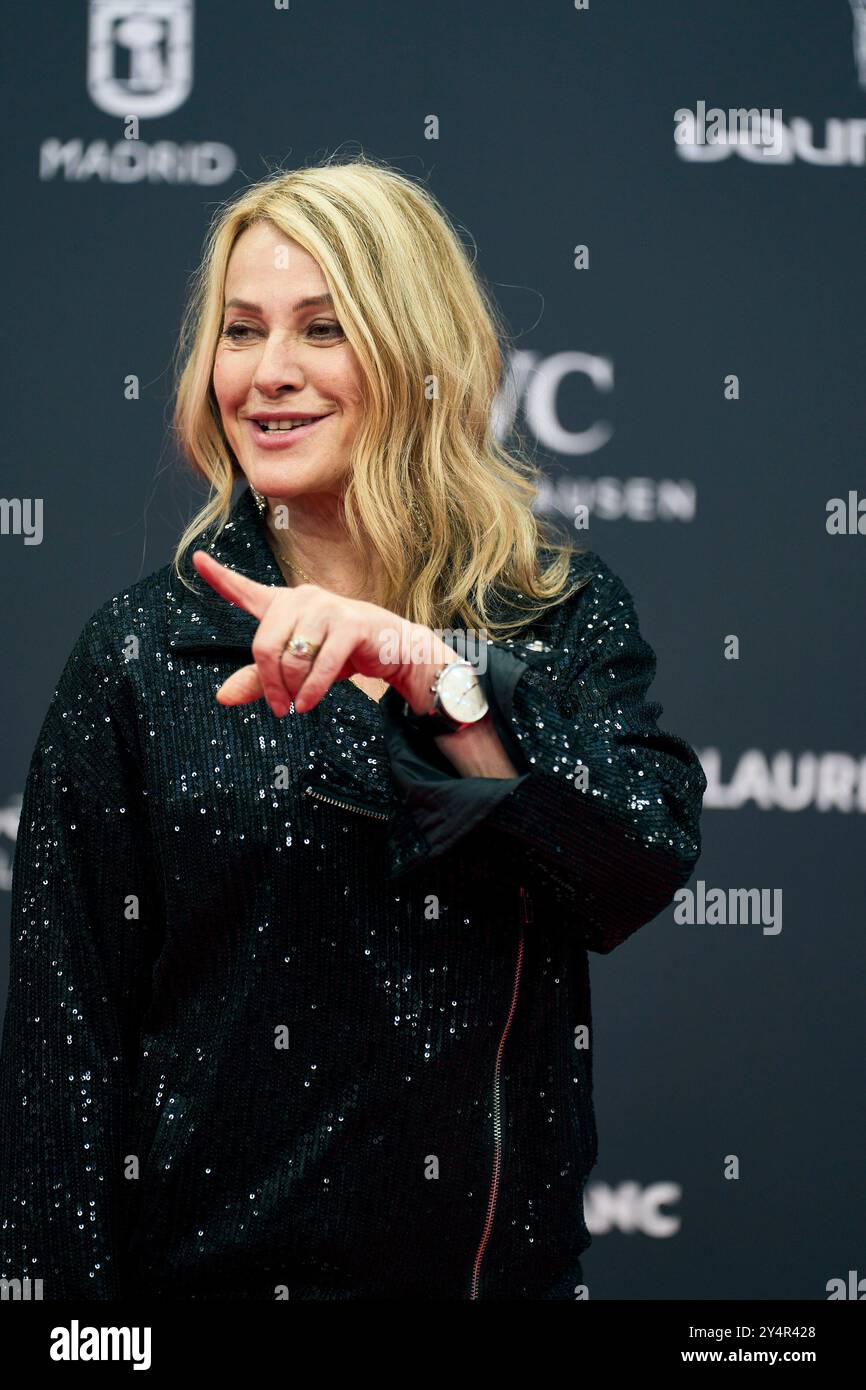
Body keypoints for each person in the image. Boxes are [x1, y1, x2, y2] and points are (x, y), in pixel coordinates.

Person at [0, 154, 706, 1301]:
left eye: (321, 329)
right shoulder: (136, 654)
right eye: (239, 331)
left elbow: (628, 866)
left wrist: (436, 677)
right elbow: (59, 1064)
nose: (266, 375)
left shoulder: (550, 613)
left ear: (415, 355)